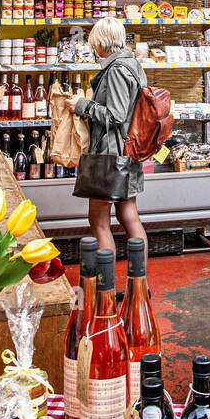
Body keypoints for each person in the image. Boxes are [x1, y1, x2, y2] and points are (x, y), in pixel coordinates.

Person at [70, 16, 148, 258]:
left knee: (99, 220)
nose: (94, 48)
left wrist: (82, 104)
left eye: (95, 42)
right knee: (129, 216)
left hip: (110, 155)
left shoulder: (116, 70)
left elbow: (115, 115)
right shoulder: (132, 65)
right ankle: (139, 286)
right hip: (128, 152)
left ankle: (106, 289)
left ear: (102, 42)